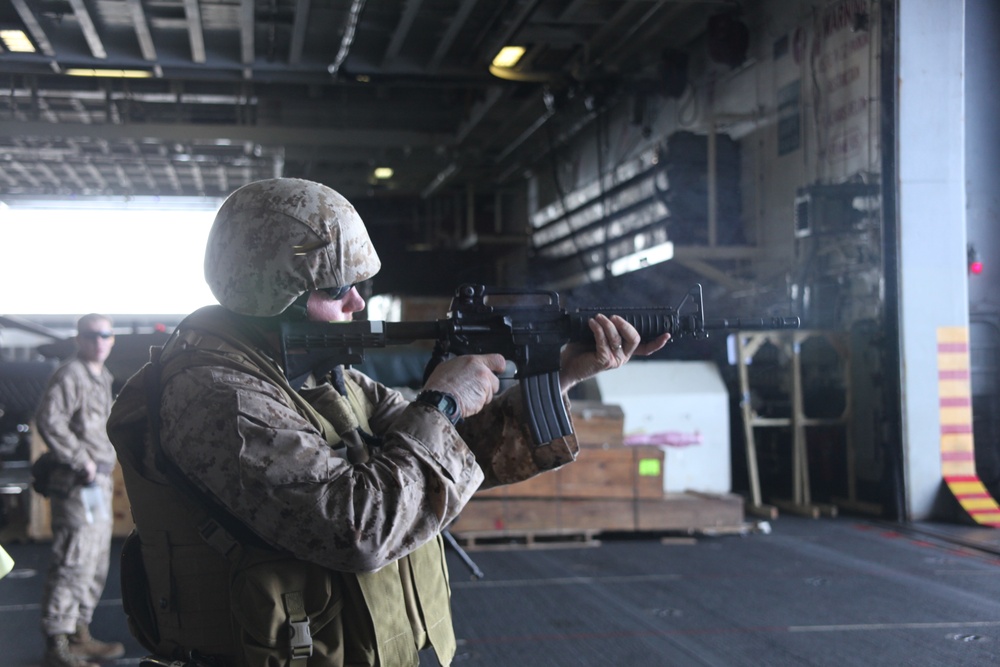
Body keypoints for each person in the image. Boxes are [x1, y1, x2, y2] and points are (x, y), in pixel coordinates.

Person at [106, 177, 668, 667]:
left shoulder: (317, 377)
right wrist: (443, 400)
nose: (356, 303)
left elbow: (446, 453)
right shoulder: (219, 395)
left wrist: (564, 374)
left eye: (357, 287)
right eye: (335, 290)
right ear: (271, 295)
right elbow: (357, 527)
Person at [36, 313, 125, 667]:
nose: (99, 341)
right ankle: (57, 644)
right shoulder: (71, 375)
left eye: (105, 334)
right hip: (77, 483)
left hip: (98, 484)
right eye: (91, 335)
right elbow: (50, 419)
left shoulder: (101, 376)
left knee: (95, 559)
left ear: (112, 339)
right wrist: (79, 458)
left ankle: (79, 634)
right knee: (73, 558)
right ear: (78, 339)